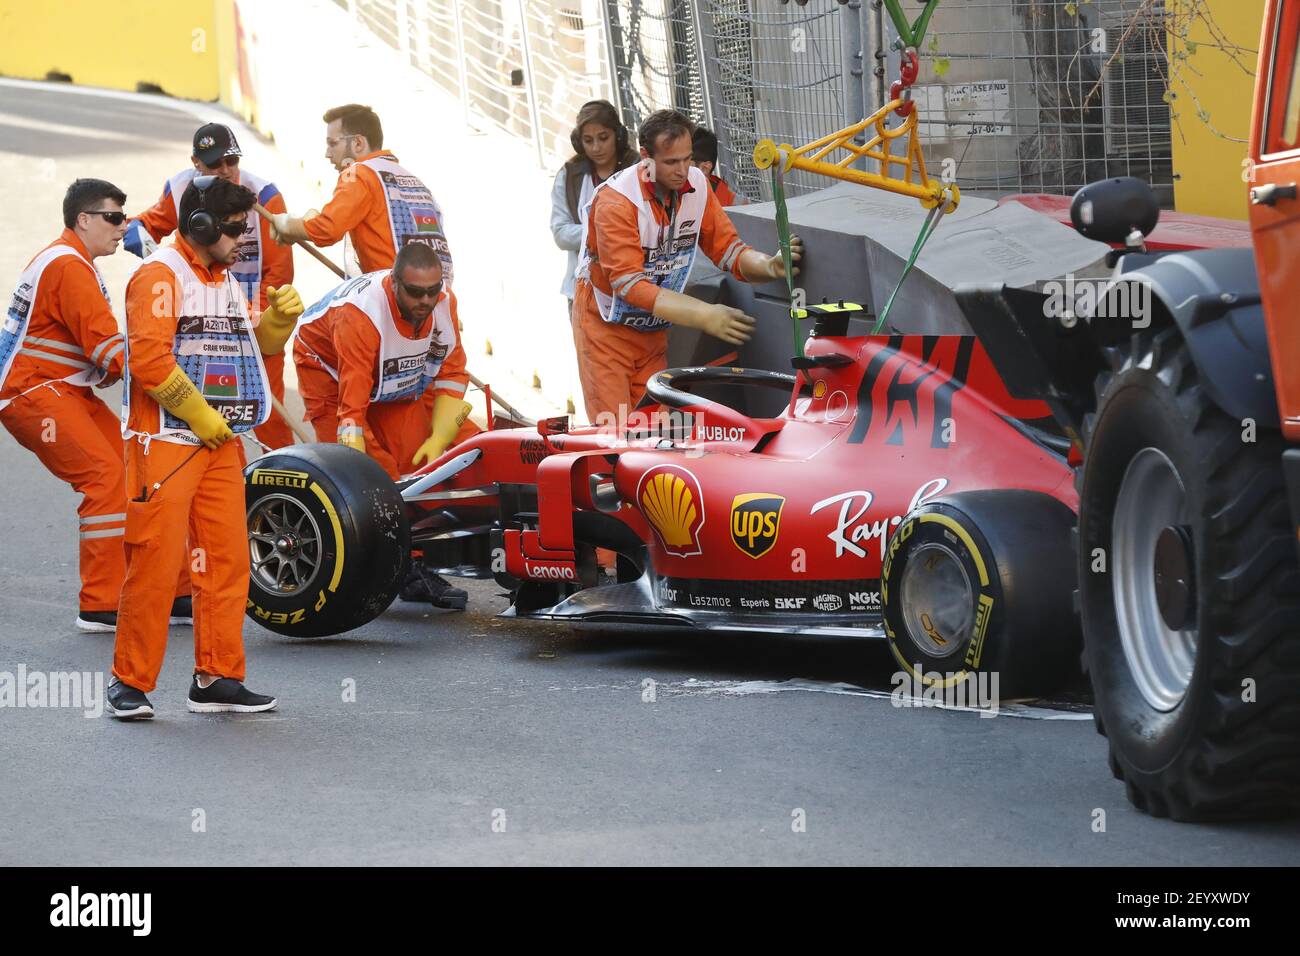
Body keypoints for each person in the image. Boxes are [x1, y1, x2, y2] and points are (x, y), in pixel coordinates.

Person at [107, 176, 303, 720]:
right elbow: (149, 362)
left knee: (226, 560)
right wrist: (198, 414)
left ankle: (217, 677)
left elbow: (252, 346)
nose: (246, 239)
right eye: (237, 229)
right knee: (156, 561)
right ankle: (129, 681)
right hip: (166, 442)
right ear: (201, 226)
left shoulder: (225, 281)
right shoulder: (160, 276)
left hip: (219, 443)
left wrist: (279, 322)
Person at [1, 179, 191, 633]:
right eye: (113, 218)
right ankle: (101, 602)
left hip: (60, 389)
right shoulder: (69, 266)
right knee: (106, 479)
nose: (122, 227)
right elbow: (111, 351)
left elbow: (100, 354)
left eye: (124, 218)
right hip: (35, 393)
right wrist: (178, 386)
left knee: (135, 474)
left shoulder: (71, 260)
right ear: (83, 220)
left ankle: (174, 589)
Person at [572, 109, 801, 422]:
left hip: (652, 331)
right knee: (615, 431)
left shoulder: (697, 184)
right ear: (646, 158)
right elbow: (629, 285)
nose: (683, 170)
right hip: (605, 329)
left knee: (656, 428)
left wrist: (769, 265)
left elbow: (729, 250)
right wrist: (704, 314)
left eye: (687, 158)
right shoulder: (617, 202)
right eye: (671, 162)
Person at [293, 243, 471, 610]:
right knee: (367, 476)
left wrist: (440, 437)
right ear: (393, 283)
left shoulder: (443, 303)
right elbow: (351, 413)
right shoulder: (359, 318)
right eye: (415, 292)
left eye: (432, 291)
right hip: (328, 373)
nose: (425, 300)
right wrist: (361, 478)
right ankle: (364, 565)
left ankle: (414, 565)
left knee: (417, 468)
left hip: (391, 374)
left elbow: (452, 371)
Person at [123, 122, 297, 450]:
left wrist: (254, 326)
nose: (227, 170)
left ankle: (277, 480)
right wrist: (140, 234)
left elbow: (279, 272)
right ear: (196, 163)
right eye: (216, 163)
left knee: (266, 409)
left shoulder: (265, 196)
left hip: (247, 310)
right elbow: (145, 223)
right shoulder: (180, 191)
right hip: (200, 320)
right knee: (210, 403)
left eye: (232, 160)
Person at [269, 104, 453, 281]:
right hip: (440, 301)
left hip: (395, 301)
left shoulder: (357, 172)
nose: (327, 153)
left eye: (332, 143)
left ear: (358, 143)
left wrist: (287, 224)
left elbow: (327, 229)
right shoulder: (412, 180)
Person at [550, 100, 639, 314]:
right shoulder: (569, 175)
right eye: (588, 141)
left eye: (603, 138)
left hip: (633, 287)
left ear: (617, 135)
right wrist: (608, 230)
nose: (596, 148)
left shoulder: (637, 169)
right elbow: (561, 233)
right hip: (583, 291)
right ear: (579, 142)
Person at [691, 126, 747, 207]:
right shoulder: (673, 199)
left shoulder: (738, 206)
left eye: (685, 161)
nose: (678, 168)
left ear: (705, 168)